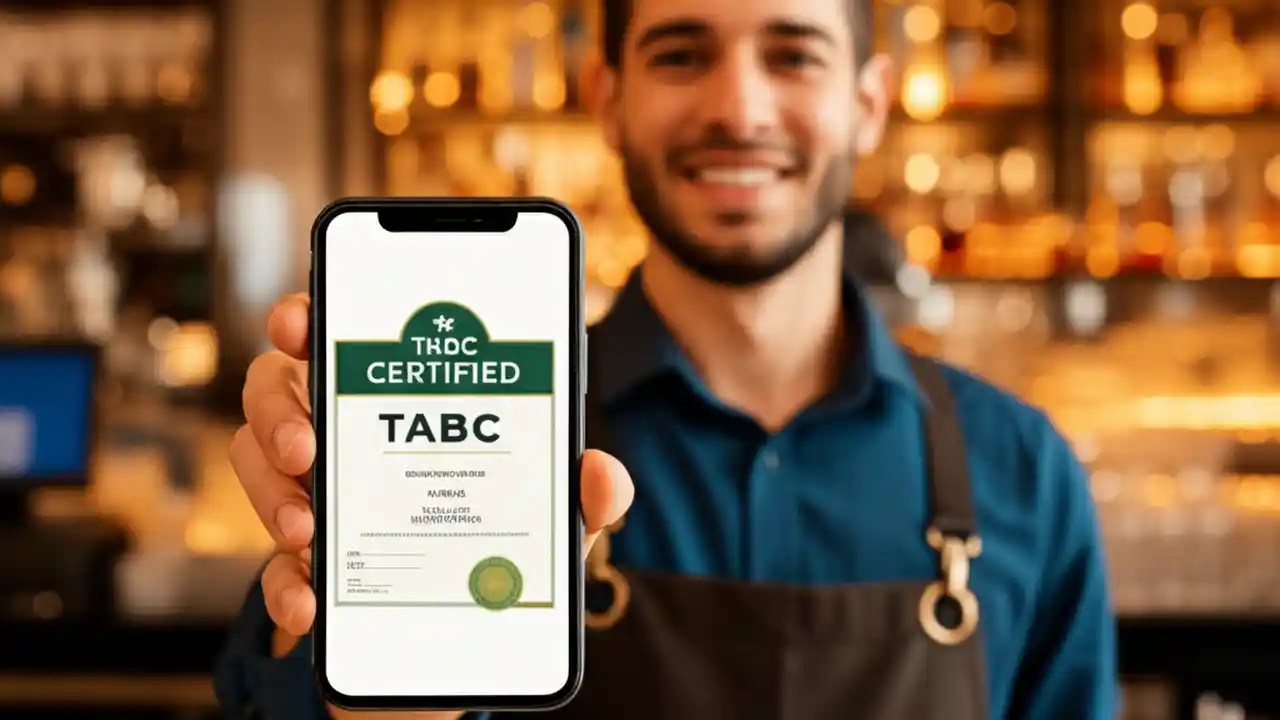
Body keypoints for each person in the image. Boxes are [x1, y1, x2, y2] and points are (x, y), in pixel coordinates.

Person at [214, 0, 1119, 716]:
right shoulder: (486, 438)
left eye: (794, 53)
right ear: (606, 98)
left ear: (868, 103)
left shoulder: (1023, 471)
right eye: (682, 54)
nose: (738, 108)